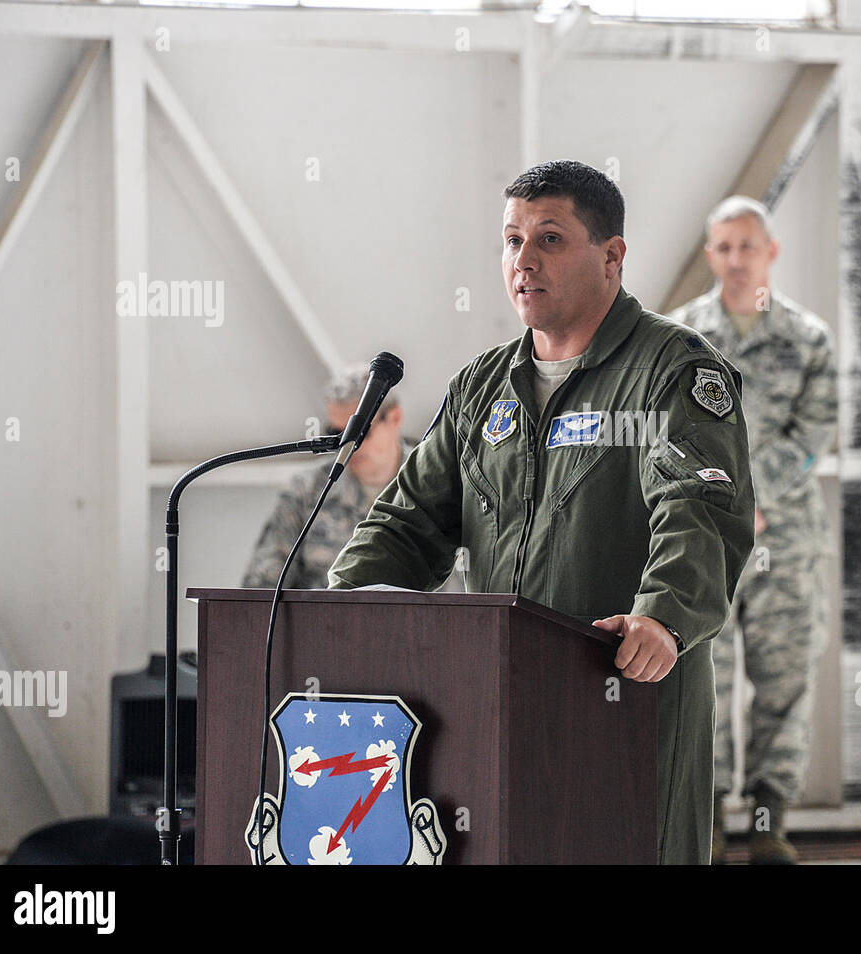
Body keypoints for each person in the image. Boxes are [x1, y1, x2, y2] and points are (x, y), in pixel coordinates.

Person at [328, 159, 755, 864]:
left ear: (612, 256)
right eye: (512, 240)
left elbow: (698, 508)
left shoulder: (672, 372)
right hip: (496, 710)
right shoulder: (482, 387)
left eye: (550, 240)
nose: (524, 261)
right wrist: (340, 612)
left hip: (625, 700)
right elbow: (408, 523)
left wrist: (664, 616)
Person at [669, 195, 837, 864]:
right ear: (711, 255)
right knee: (703, 683)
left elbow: (814, 433)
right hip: (705, 541)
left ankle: (769, 825)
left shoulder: (808, 340)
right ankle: (706, 823)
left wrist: (755, 495)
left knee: (784, 680)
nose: (736, 259)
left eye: (748, 246)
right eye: (724, 247)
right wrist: (726, 500)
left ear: (772, 252)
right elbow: (669, 436)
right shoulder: (680, 339)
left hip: (786, 544)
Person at [242, 365, 404, 589]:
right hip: (320, 624)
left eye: (361, 431)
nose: (349, 445)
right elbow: (260, 589)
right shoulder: (307, 491)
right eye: (337, 433)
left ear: (395, 418)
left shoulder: (434, 484)